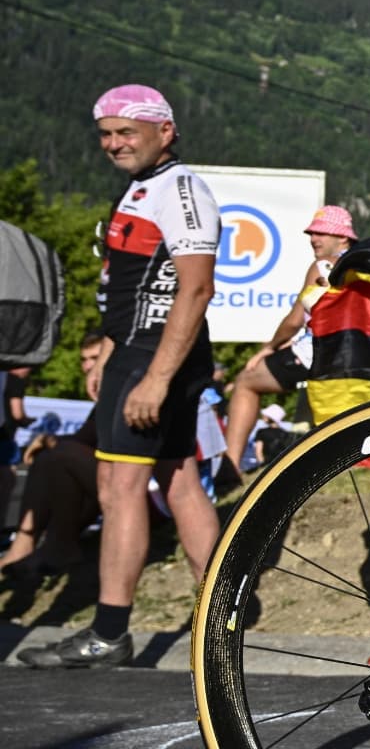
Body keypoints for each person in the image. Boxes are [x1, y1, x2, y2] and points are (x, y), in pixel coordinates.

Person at [21, 86, 221, 669]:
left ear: (165, 131)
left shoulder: (181, 188)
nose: (113, 144)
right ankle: (221, 614)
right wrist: (109, 352)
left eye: (126, 133)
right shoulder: (141, 188)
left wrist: (154, 377)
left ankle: (110, 633)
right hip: (134, 351)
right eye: (105, 134)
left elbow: (196, 287)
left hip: (156, 354)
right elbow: (127, 285)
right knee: (179, 478)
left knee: (119, 486)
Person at [222, 205, 356, 474]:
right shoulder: (365, 263)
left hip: (317, 353)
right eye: (311, 233)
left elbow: (295, 320)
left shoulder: (322, 266)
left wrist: (267, 349)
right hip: (357, 354)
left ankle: (230, 466)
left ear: (343, 238)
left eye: (322, 233)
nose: (313, 239)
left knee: (246, 382)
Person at [0, 331, 109, 583]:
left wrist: (52, 441)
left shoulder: (124, 391)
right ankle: (36, 543)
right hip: (114, 483)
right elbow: (83, 441)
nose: (88, 366)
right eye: (84, 359)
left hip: (146, 494)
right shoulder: (102, 399)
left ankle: (44, 544)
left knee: (57, 456)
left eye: (95, 357)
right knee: (50, 457)